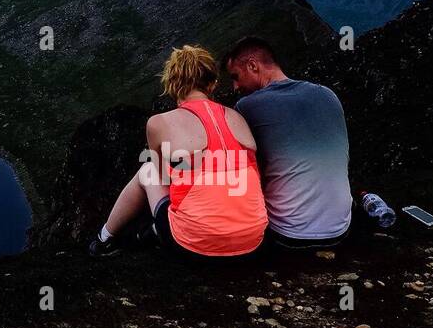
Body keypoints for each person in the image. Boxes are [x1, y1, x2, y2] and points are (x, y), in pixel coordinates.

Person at [89, 45, 267, 259]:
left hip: (196, 246)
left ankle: (104, 239)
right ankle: (152, 232)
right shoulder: (238, 117)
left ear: (172, 84)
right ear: (212, 83)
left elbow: (162, 175)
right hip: (253, 241)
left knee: (147, 171)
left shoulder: (159, 123)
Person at [223, 36, 352, 249]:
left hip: (289, 234)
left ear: (253, 65)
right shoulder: (328, 94)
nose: (235, 86)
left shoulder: (247, 107)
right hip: (340, 228)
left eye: (236, 76)